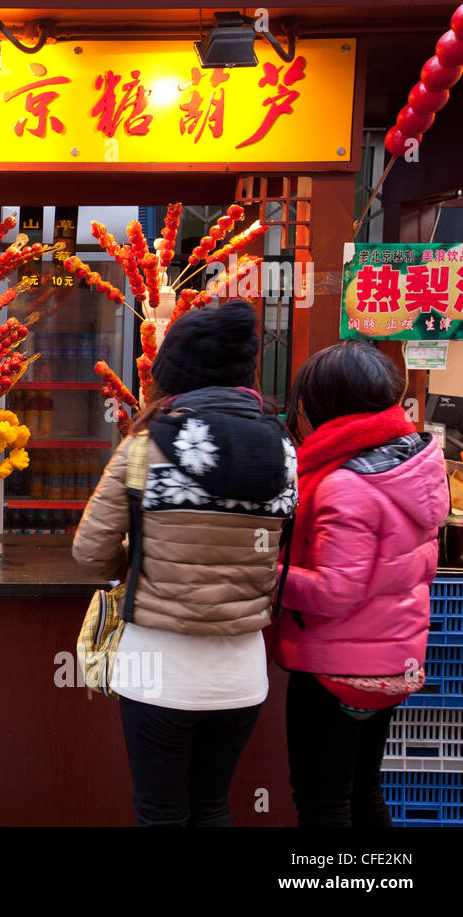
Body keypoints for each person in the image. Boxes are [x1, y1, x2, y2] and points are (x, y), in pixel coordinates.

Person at [73, 299, 297, 827]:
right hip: (241, 671)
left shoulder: (144, 446)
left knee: (161, 813)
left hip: (158, 670)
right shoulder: (283, 449)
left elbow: (89, 552)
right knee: (213, 807)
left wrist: (144, 555)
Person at [278, 341, 448, 827]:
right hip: (392, 661)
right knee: (362, 792)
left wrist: (268, 576)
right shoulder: (412, 465)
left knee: (322, 800)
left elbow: (334, 591)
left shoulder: (344, 482)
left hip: (338, 669)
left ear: (326, 406)